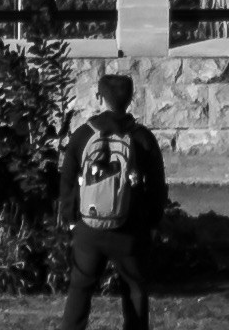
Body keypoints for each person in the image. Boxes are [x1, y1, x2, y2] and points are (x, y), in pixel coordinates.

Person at [60, 68, 170, 330]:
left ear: (99, 98)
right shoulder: (142, 137)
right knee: (134, 287)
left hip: (89, 227)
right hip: (130, 228)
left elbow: (67, 181)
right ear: (131, 100)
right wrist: (152, 222)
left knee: (80, 288)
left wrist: (71, 220)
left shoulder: (82, 135)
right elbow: (157, 186)